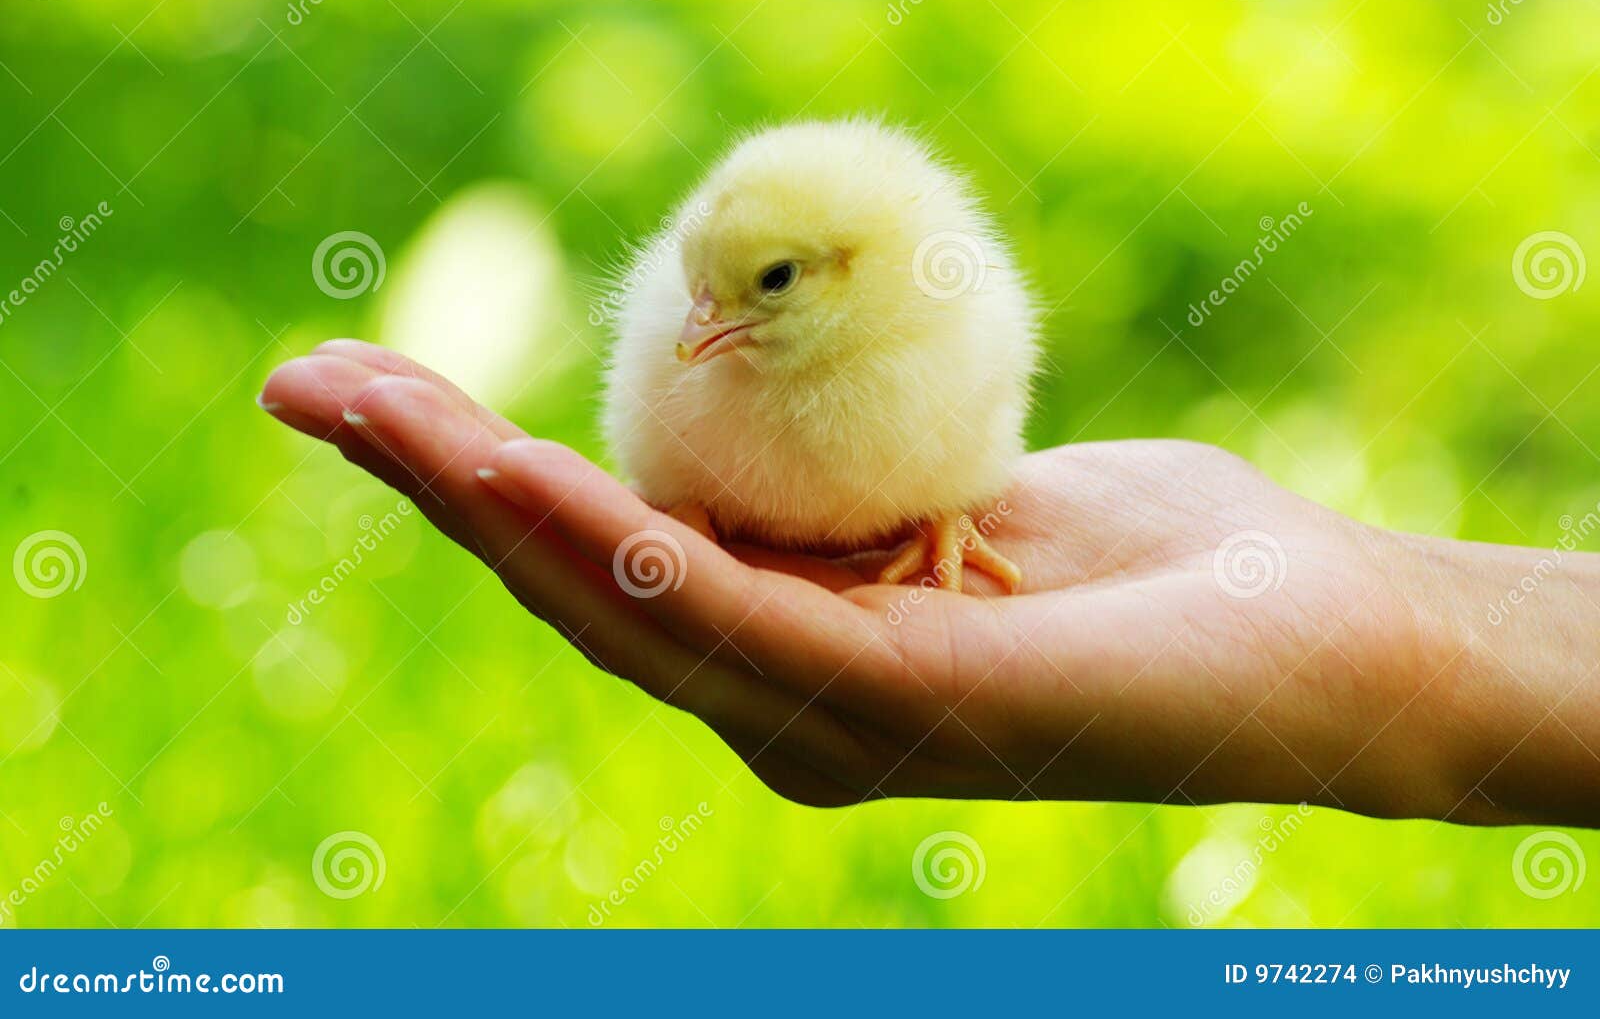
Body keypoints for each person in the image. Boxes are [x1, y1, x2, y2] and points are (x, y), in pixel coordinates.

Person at [260, 339, 1600, 827]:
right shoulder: (728, 320)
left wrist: (1416, 633)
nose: (706, 320)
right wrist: (1428, 628)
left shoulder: (903, 327)